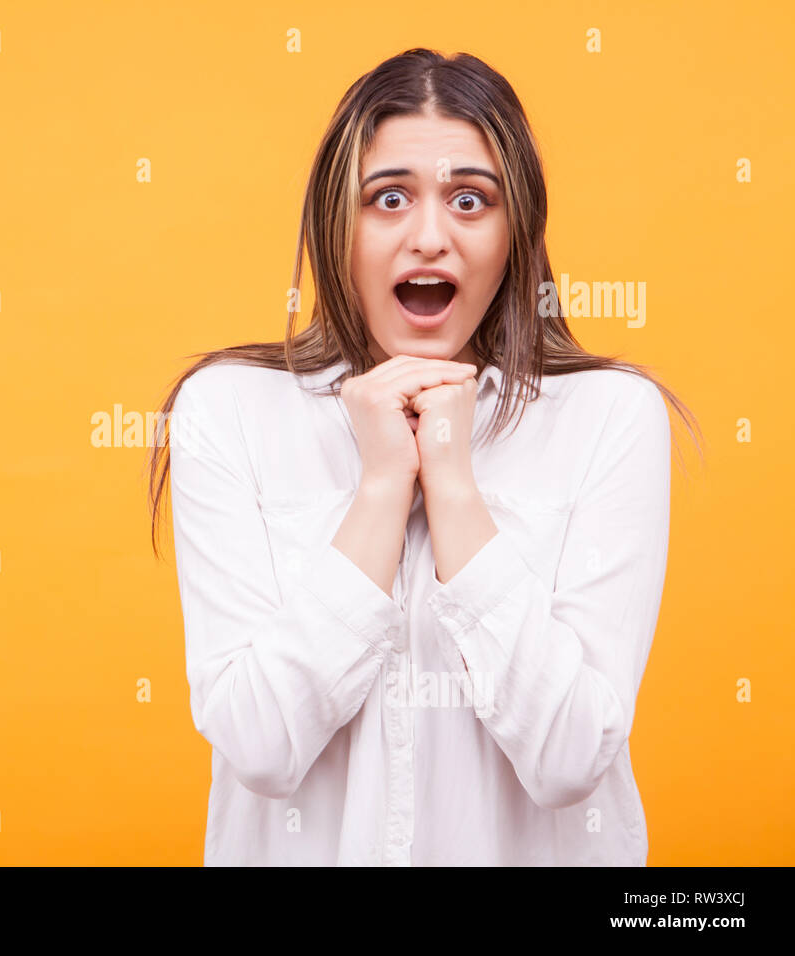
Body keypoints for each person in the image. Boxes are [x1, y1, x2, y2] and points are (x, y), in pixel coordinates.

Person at [146, 48, 702, 866]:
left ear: (516, 233)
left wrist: (452, 482)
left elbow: (570, 758)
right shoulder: (229, 411)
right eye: (389, 198)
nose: (431, 238)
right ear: (337, 224)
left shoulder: (610, 417)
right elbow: (259, 747)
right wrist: (381, 486)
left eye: (470, 200)